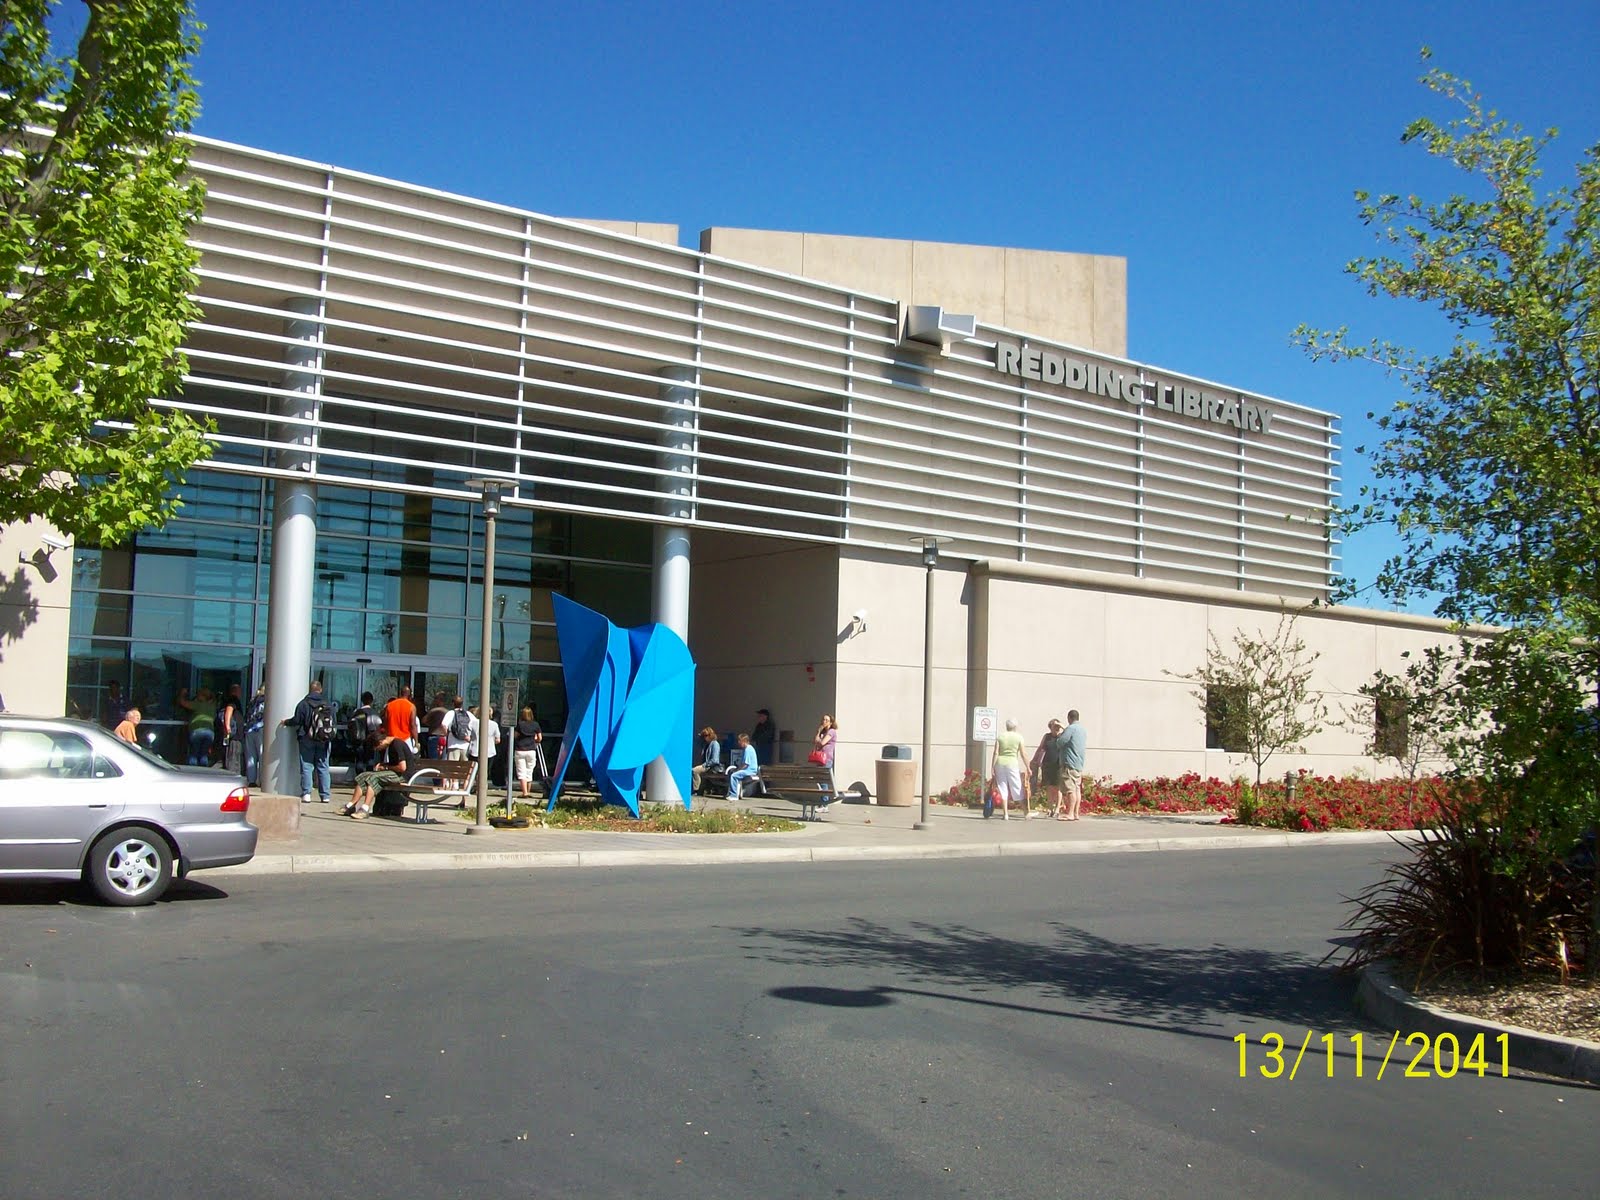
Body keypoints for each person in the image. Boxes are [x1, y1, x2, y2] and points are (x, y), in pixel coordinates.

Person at [280, 680, 335, 803]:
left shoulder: (303, 704)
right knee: (323, 766)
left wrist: (286, 722)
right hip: (323, 739)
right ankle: (325, 795)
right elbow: (333, 722)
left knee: (307, 766)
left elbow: (297, 720)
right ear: (320, 690)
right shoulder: (328, 704)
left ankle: (306, 794)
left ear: (310, 689)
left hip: (306, 738)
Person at [344, 733, 412, 819]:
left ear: (380, 742)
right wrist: (383, 765)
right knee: (363, 776)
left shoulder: (397, 744)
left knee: (373, 777)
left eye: (377, 748)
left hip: (403, 776)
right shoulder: (391, 745)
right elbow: (395, 765)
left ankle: (365, 808)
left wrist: (385, 767)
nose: (379, 750)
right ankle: (351, 805)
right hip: (396, 773)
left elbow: (402, 767)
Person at [989, 718, 1029, 821]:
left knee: (1003, 788)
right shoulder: (1019, 737)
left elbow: (996, 752)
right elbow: (1023, 754)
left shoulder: (1000, 737)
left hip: (1000, 763)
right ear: (1015, 727)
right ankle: (1025, 812)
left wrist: (992, 766)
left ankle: (1005, 814)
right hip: (1012, 764)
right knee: (1017, 787)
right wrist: (1028, 766)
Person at [1056, 709, 1088, 821]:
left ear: (1069, 718)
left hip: (1069, 763)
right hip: (1079, 763)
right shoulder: (1082, 730)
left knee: (1070, 790)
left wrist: (1060, 735)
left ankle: (1070, 814)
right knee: (1077, 788)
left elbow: (1060, 742)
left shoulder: (1070, 729)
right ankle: (1076, 813)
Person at [1031, 717, 1065, 820]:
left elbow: (1067, 732)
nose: (1056, 728)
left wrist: (1061, 725)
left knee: (1058, 788)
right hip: (1047, 764)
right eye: (1054, 726)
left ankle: (1057, 809)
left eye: (1057, 726)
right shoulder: (1047, 737)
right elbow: (1041, 748)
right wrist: (1034, 759)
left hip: (1058, 765)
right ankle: (1050, 809)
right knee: (1049, 787)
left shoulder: (1062, 736)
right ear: (1050, 727)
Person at [178, 685, 217, 766]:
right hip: (210, 732)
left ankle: (193, 772)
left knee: (194, 753)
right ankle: (203, 771)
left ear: (202, 696)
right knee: (204, 753)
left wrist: (182, 693)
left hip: (197, 730)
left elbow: (182, 702)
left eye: (198, 694)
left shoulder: (198, 704)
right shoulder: (212, 706)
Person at [347, 691, 383, 778]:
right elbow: (379, 725)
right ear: (371, 701)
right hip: (370, 739)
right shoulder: (373, 712)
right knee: (370, 760)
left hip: (358, 739)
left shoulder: (357, 712)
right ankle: (368, 778)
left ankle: (360, 778)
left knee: (359, 760)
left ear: (362, 700)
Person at [513, 706, 544, 799]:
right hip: (531, 750)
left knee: (521, 772)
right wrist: (534, 739)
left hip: (520, 749)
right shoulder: (535, 725)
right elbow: (540, 738)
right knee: (529, 771)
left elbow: (515, 736)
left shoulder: (520, 725)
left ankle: (524, 792)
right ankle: (528, 791)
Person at [216, 683, 245, 774]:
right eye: (239, 691)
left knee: (230, 755)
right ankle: (232, 775)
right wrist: (227, 726)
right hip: (235, 735)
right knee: (233, 757)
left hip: (232, 735)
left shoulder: (226, 701)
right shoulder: (233, 700)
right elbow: (229, 709)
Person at [243, 684, 267, 786]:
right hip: (261, 728)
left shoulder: (253, 701)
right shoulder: (267, 701)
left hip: (249, 729)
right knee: (262, 756)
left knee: (251, 756)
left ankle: (251, 780)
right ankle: (263, 780)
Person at [383, 684, 420, 752]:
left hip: (391, 739)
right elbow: (413, 725)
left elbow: (385, 723)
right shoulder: (411, 707)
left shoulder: (389, 705)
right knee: (406, 761)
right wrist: (416, 741)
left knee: (390, 761)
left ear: (400, 693)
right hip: (405, 739)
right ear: (410, 695)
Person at [725, 732, 759, 801]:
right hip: (748, 770)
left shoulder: (748, 749)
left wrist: (737, 770)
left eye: (739, 741)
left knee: (734, 776)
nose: (738, 743)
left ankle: (733, 795)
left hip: (750, 771)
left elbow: (745, 764)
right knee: (732, 773)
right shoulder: (747, 749)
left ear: (744, 741)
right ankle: (730, 792)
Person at [691, 725, 723, 794]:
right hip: (707, 765)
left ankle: (696, 789)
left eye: (704, 736)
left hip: (711, 766)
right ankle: (701, 789)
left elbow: (715, 760)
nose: (703, 738)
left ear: (709, 736)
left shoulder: (715, 744)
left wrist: (704, 765)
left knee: (694, 771)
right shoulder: (706, 744)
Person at [444, 695, 477, 761]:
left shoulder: (451, 713)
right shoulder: (468, 714)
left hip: (453, 745)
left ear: (453, 703)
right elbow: (476, 725)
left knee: (453, 767)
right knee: (464, 767)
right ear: (462, 703)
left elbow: (443, 725)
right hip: (465, 745)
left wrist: (446, 734)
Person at [423, 692, 450, 759]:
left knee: (433, 759)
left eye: (435, 698)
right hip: (444, 737)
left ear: (439, 700)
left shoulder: (433, 711)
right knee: (444, 759)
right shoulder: (448, 712)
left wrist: (431, 723)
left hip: (434, 736)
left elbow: (423, 721)